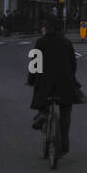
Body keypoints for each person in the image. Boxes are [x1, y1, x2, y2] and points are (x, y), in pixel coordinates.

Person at [29, 16, 77, 155]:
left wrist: (32, 80)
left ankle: (43, 114)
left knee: (42, 98)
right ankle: (64, 144)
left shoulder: (40, 42)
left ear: (47, 28)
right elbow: (73, 65)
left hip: (45, 82)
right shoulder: (67, 43)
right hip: (65, 83)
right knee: (65, 113)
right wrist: (71, 77)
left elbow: (34, 65)